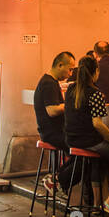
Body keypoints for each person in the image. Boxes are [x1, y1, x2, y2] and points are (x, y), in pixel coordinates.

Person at [64, 56, 109, 217]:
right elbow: (97, 124)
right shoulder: (95, 93)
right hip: (90, 142)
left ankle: (97, 203)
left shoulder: (70, 90)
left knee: (98, 160)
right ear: (96, 72)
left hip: (72, 140)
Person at [34, 51, 76, 192]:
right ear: (60, 65)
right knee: (85, 151)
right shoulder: (49, 84)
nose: (70, 74)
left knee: (83, 153)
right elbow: (51, 111)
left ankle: (56, 178)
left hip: (53, 132)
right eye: (70, 69)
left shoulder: (50, 82)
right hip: (53, 133)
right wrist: (70, 104)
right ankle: (57, 179)